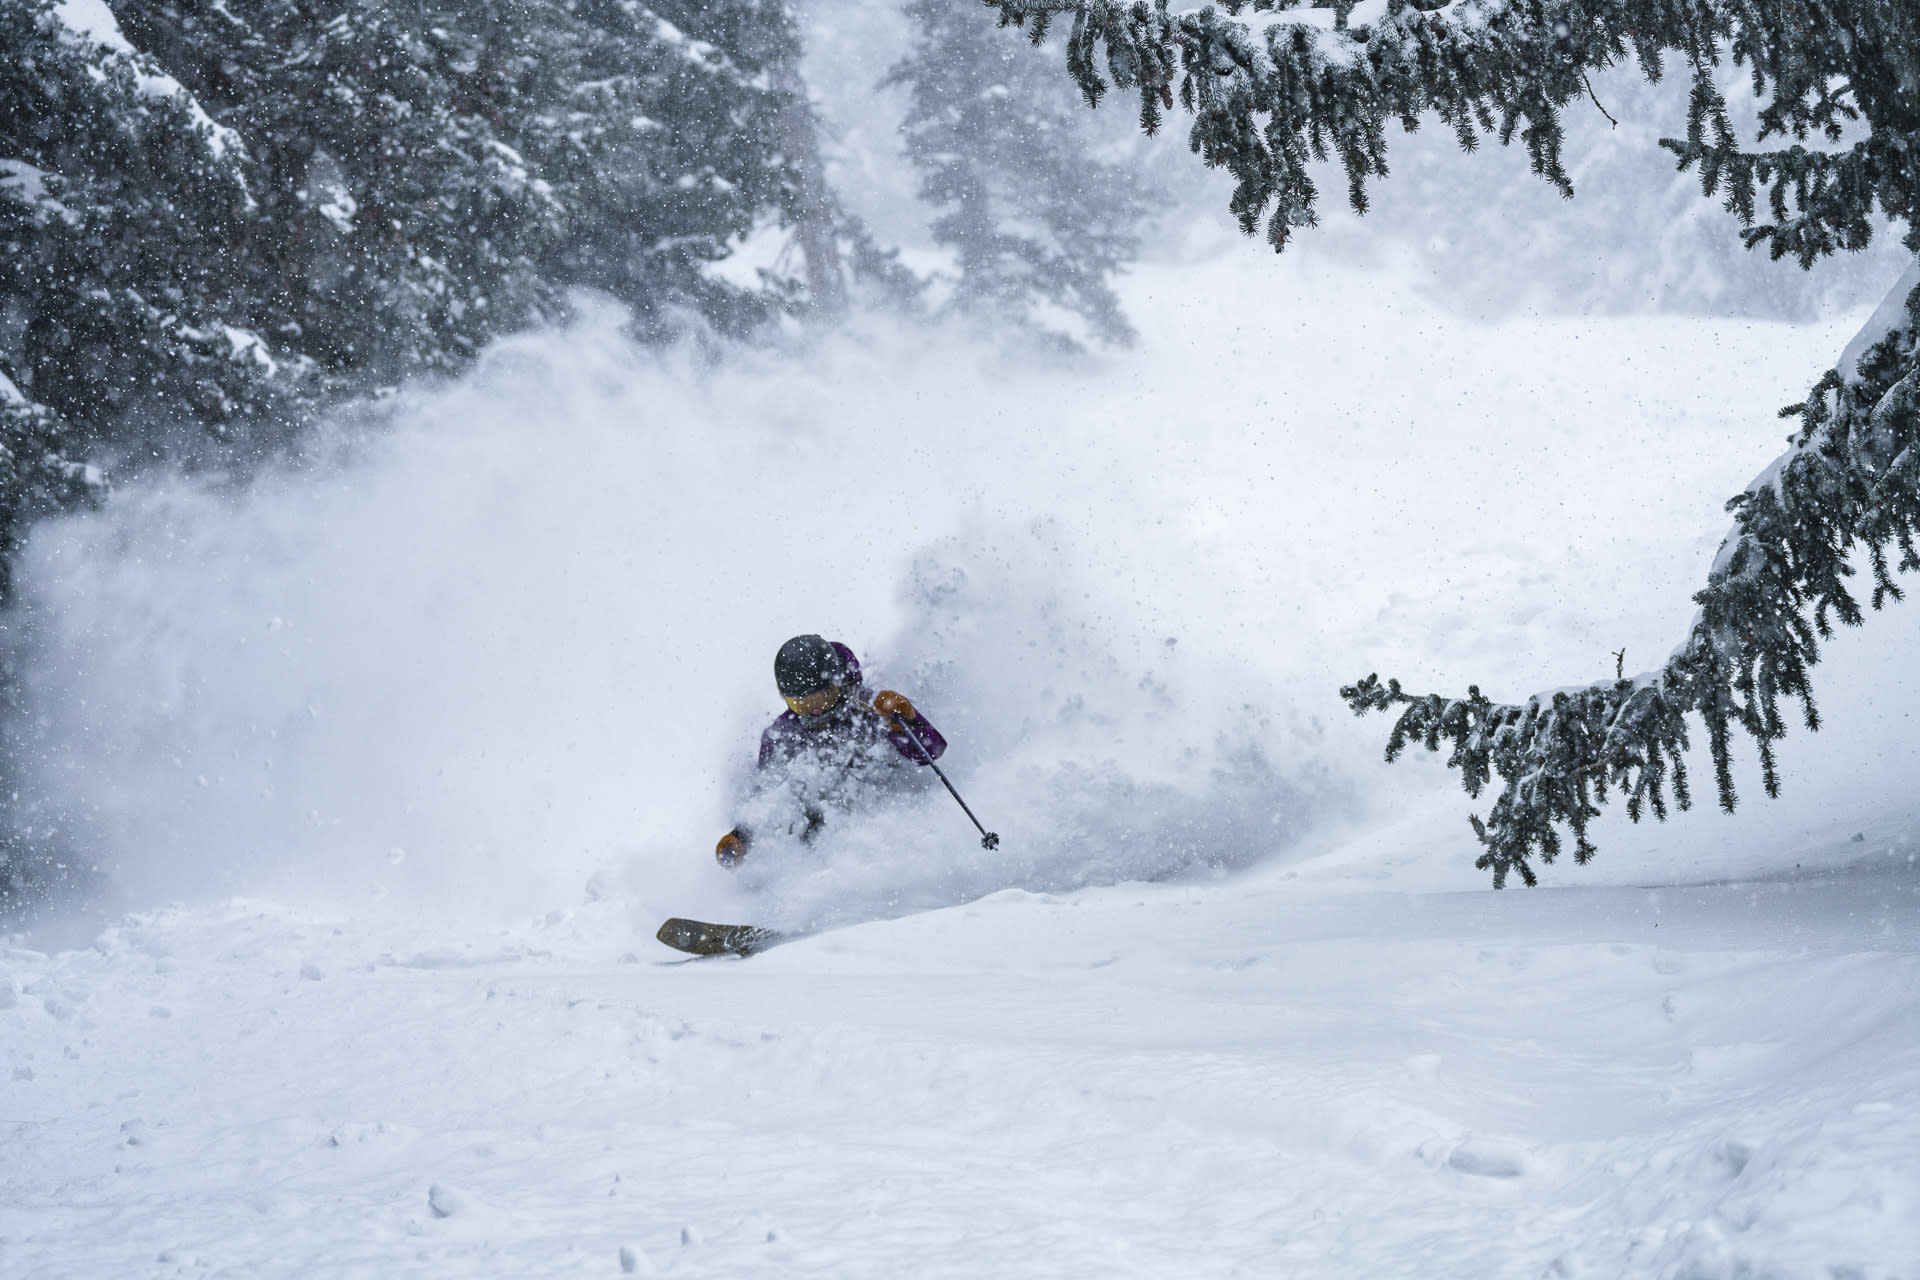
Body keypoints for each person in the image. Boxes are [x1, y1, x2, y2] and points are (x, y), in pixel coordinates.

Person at [716, 634, 947, 867]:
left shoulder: (871, 709)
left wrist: (907, 720)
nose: (814, 711)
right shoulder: (782, 736)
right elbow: (769, 796)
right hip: (827, 834)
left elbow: (932, 751)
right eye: (801, 703)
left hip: (889, 813)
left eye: (821, 698)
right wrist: (741, 837)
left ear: (838, 684)